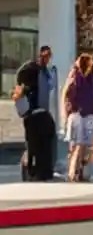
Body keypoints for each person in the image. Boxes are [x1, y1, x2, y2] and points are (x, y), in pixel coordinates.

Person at [12, 46, 57, 181]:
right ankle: (34, 171)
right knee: (34, 144)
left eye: (48, 55)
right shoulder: (32, 69)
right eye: (45, 55)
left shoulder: (43, 71)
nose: (46, 58)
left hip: (39, 113)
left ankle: (40, 171)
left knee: (40, 144)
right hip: (33, 113)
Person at [63, 54, 93, 182]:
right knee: (79, 145)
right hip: (80, 114)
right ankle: (76, 171)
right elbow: (66, 94)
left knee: (82, 145)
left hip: (84, 114)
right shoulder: (76, 76)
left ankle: (78, 171)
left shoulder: (90, 78)